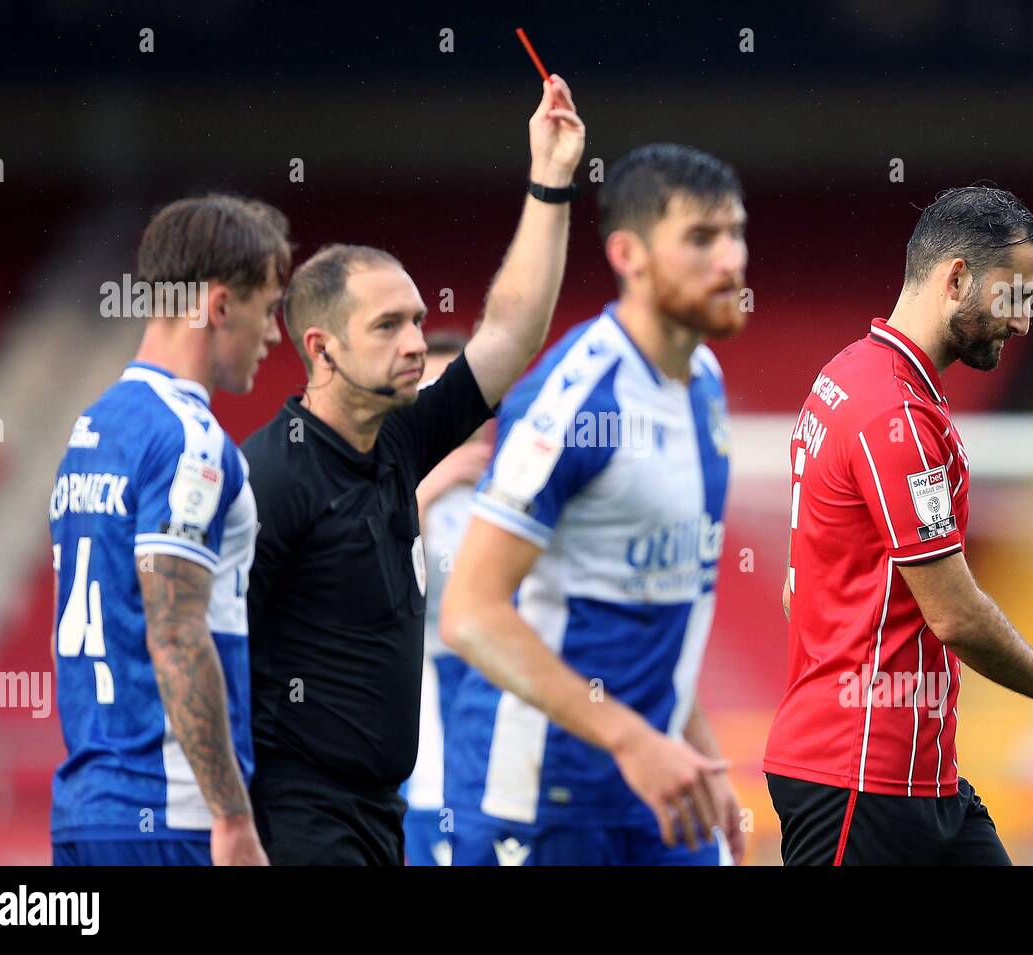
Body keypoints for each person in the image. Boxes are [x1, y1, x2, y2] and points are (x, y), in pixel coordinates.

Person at [241, 75, 585, 865]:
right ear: (321, 347)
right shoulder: (271, 477)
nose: (412, 343)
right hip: (295, 822)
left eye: (419, 321)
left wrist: (551, 178)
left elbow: (508, 334)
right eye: (388, 325)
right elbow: (211, 649)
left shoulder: (397, 439)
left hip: (380, 816)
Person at [765, 185, 1033, 865]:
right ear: (957, 278)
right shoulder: (897, 416)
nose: (1027, 321)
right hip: (857, 782)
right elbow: (952, 613)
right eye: (1016, 296)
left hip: (914, 779)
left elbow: (803, 587)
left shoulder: (846, 376)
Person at [440, 143, 749, 866]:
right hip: (546, 805)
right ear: (628, 254)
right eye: (701, 239)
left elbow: (670, 600)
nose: (730, 260)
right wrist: (634, 739)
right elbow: (470, 613)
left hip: (659, 793)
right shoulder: (574, 401)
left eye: (735, 233)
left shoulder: (703, 380)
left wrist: (695, 753)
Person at [48, 194, 288, 866]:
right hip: (171, 816)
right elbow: (177, 632)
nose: (275, 335)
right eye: (268, 309)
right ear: (218, 307)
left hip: (85, 809)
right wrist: (233, 817)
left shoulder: (91, 430)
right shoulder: (188, 440)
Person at [401, 330, 493, 866]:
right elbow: (376, 587)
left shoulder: (517, 485)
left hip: (498, 698)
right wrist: (425, 491)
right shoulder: (393, 482)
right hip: (421, 701)